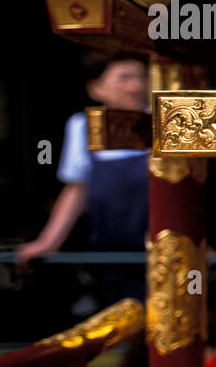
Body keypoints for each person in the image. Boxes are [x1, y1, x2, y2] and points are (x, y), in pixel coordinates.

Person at [16, 53, 150, 307]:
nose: (135, 86)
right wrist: (48, 242)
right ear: (95, 88)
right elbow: (76, 188)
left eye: (141, 77)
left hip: (156, 247)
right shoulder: (82, 125)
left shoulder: (162, 121)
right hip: (107, 249)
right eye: (124, 78)